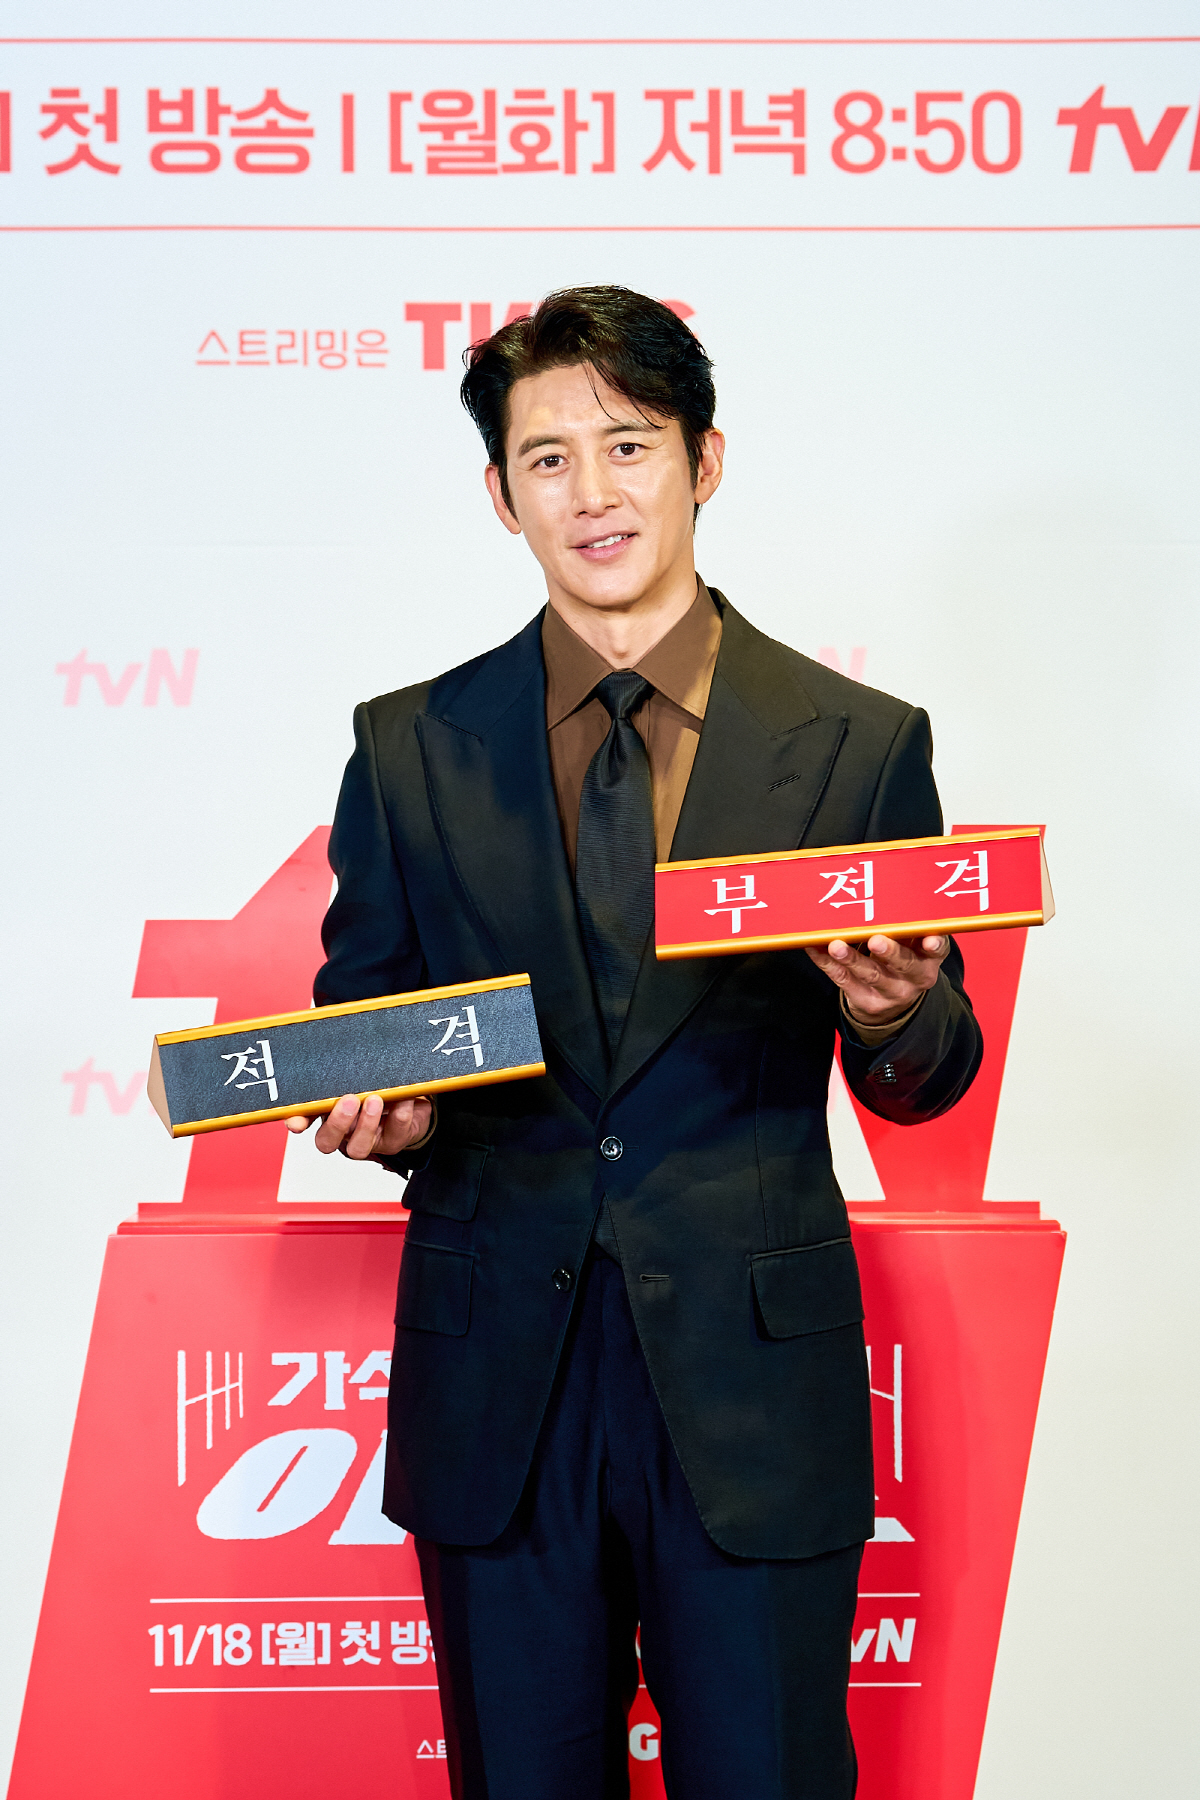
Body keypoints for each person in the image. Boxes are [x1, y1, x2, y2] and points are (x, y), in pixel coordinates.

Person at [287, 286, 982, 1800]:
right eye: (548, 458)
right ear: (501, 494)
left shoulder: (859, 740)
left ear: (703, 461)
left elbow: (930, 1067)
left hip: (751, 1384)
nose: (592, 493)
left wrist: (891, 1012)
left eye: (629, 445)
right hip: (501, 1389)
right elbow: (366, 1016)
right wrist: (387, 1111)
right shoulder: (409, 745)